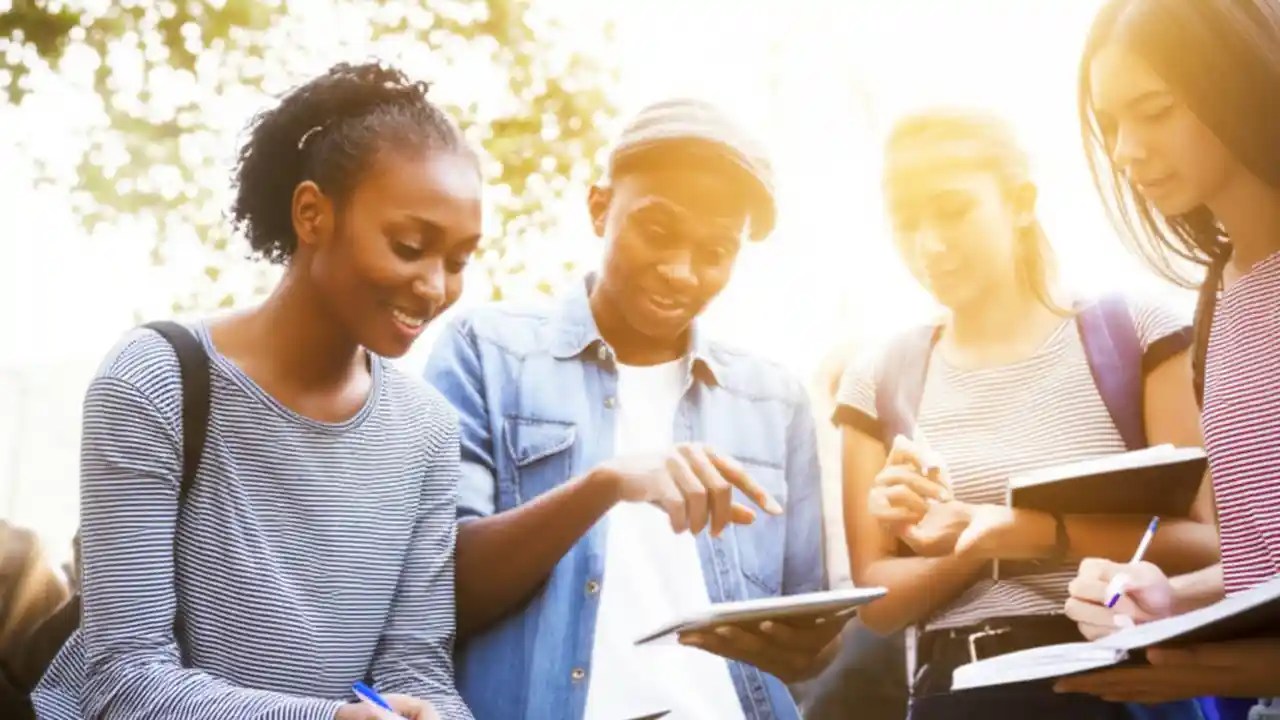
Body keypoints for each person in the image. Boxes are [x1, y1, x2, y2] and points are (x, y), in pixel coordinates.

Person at [32, 61, 482, 720]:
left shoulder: (428, 433)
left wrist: (431, 714)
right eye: (410, 245)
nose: (435, 286)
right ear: (311, 214)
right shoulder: (155, 381)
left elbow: (414, 666)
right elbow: (122, 677)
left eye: (459, 261)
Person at [424, 98, 833, 720]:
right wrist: (606, 484)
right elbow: (442, 590)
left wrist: (806, 647)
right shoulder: (487, 351)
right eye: (659, 231)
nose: (680, 271)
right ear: (599, 208)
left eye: (716, 251)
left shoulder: (772, 400)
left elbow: (810, 637)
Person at [835, 108, 1220, 719]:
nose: (928, 244)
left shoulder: (1136, 333)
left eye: (953, 211)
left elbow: (1214, 546)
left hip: (1124, 685)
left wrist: (1035, 534)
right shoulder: (879, 378)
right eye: (906, 222)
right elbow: (877, 603)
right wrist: (978, 543)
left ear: (1020, 203)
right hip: (959, 693)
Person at [1055, 0, 1280, 712]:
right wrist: (1166, 595)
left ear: (1241, 78)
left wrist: (1211, 670)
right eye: (1112, 123)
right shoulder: (1219, 300)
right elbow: (1261, 566)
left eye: (1154, 110)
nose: (1125, 150)